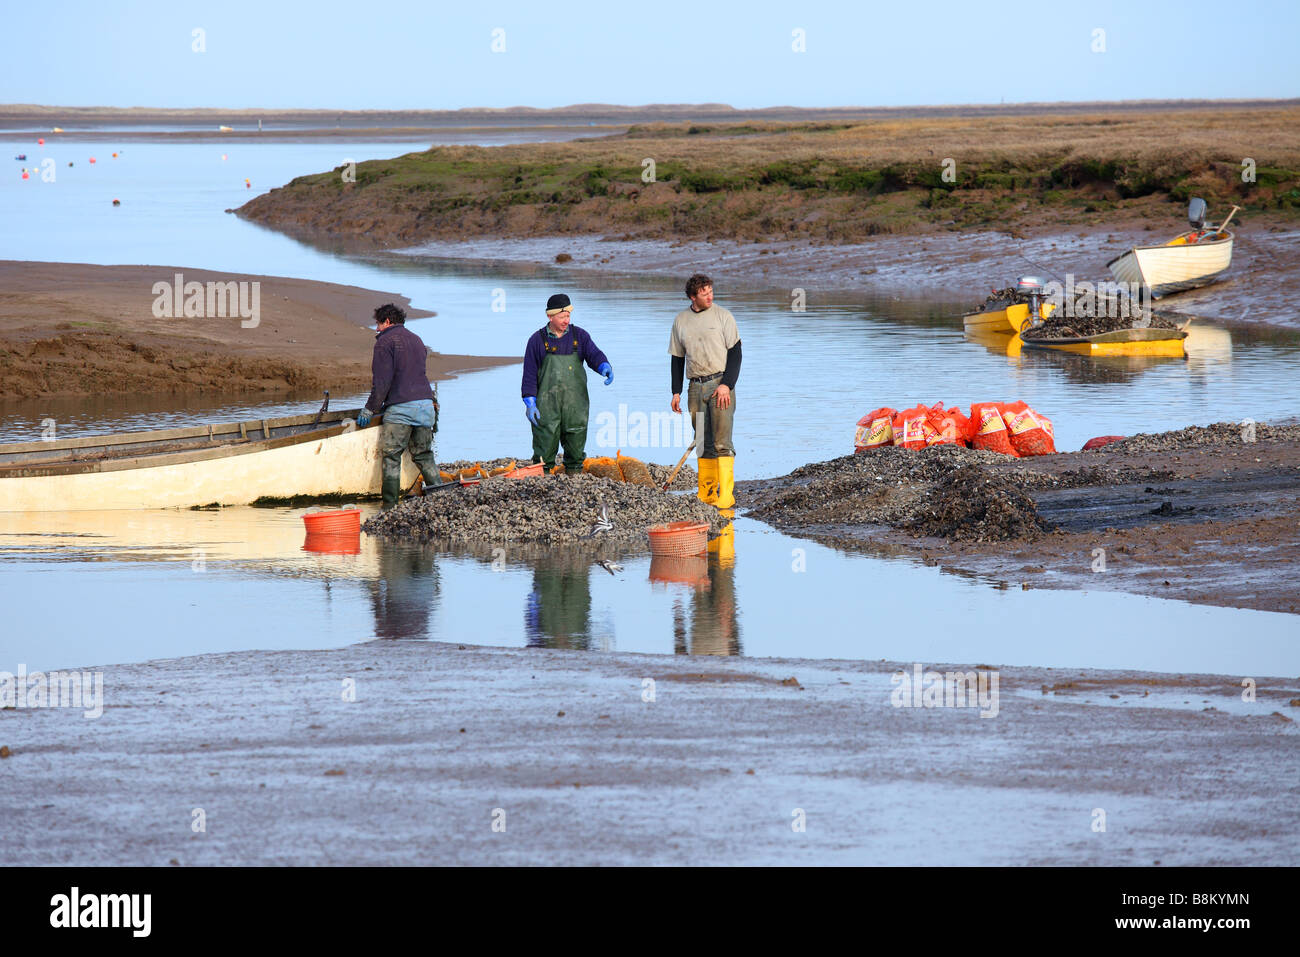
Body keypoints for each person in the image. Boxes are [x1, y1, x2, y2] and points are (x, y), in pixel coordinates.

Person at [669, 274, 741, 508]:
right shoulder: (681, 320)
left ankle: (725, 495)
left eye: (711, 290)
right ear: (693, 296)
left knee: (722, 442)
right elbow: (677, 359)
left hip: (720, 385)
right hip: (695, 388)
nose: (710, 295)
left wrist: (726, 385)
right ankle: (707, 493)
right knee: (702, 441)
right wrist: (675, 391)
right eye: (704, 293)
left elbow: (736, 353)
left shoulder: (723, 316)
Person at [357, 303, 440, 505]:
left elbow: (382, 382)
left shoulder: (385, 342)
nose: (376, 329)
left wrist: (369, 409)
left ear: (387, 321)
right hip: (426, 406)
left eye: (378, 324)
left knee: (392, 456)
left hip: (401, 409)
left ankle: (390, 505)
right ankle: (441, 497)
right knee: (424, 455)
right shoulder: (417, 340)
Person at [521, 293, 613, 474]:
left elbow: (593, 354)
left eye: (568, 316)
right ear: (550, 316)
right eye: (562, 317)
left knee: (576, 447)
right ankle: (543, 481)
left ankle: (574, 478)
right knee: (544, 448)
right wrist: (529, 402)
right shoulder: (537, 340)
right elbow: (529, 374)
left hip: (575, 404)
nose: (566, 320)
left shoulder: (580, 336)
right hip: (546, 406)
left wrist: (604, 366)